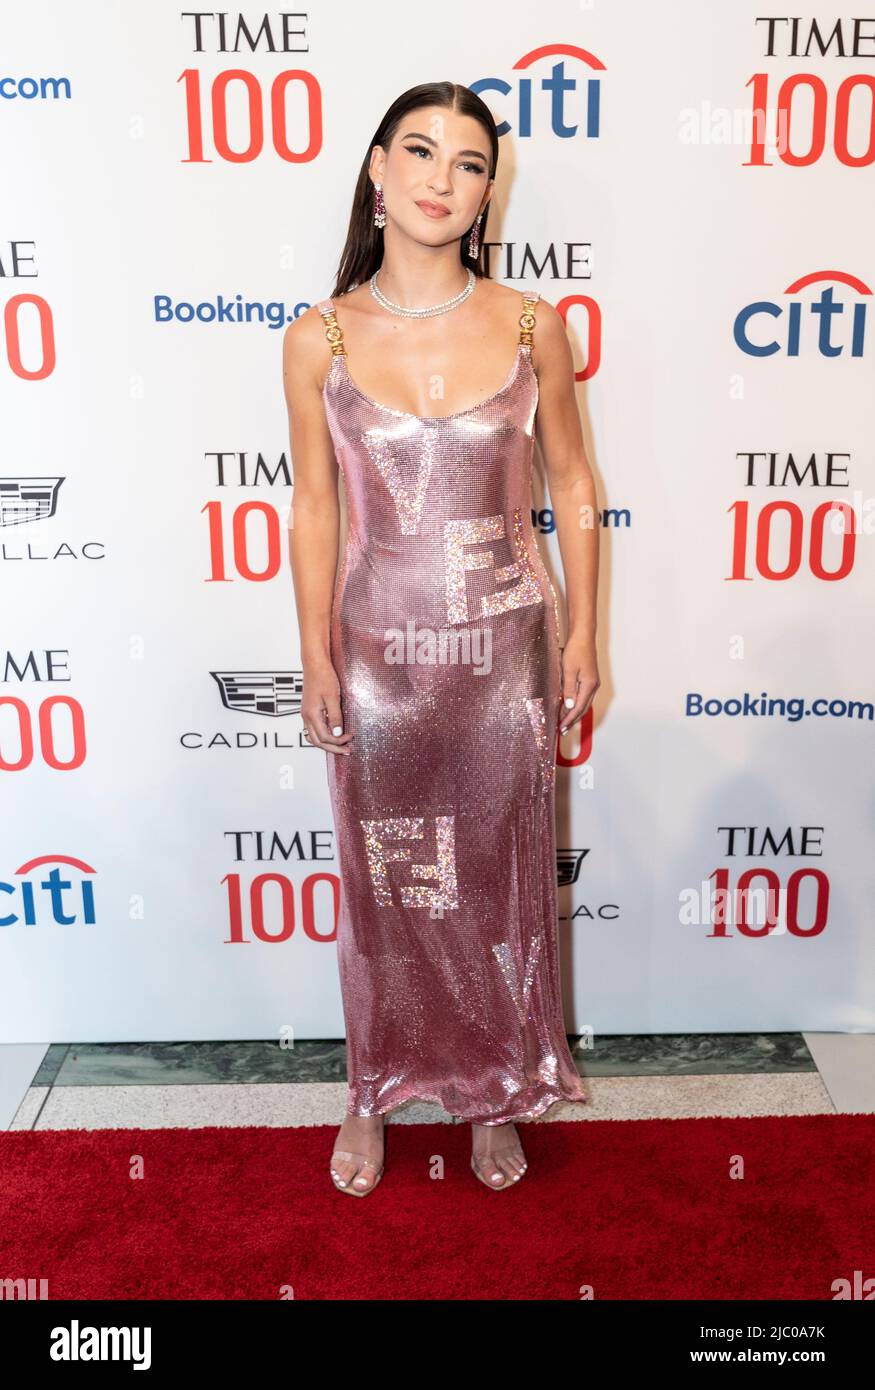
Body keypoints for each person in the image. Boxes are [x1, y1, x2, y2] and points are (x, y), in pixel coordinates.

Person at [283, 81, 599, 1196]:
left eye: (467, 164)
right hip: (376, 658)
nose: (439, 179)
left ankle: (494, 1089)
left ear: (484, 195)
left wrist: (583, 638)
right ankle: (371, 1087)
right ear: (375, 170)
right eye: (418, 152)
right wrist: (316, 656)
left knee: (497, 881)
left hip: (504, 653)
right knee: (381, 888)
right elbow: (315, 508)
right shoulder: (315, 337)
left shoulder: (528, 325)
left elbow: (572, 482)